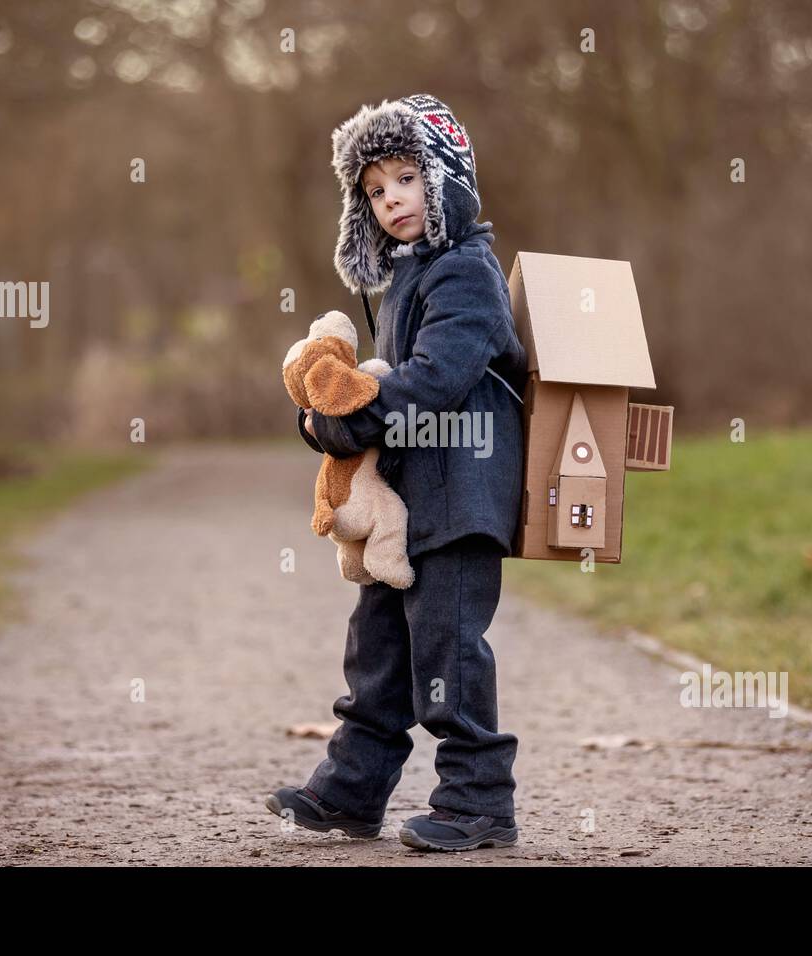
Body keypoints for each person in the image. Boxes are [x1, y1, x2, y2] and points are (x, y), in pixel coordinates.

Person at [266, 92, 528, 851]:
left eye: (406, 180)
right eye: (375, 192)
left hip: (463, 493)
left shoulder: (468, 271)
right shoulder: (408, 275)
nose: (392, 200)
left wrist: (351, 417)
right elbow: (380, 379)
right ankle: (352, 790)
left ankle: (479, 800)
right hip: (411, 498)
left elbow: (435, 380)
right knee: (377, 651)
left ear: (444, 178)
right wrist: (327, 417)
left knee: (448, 649)